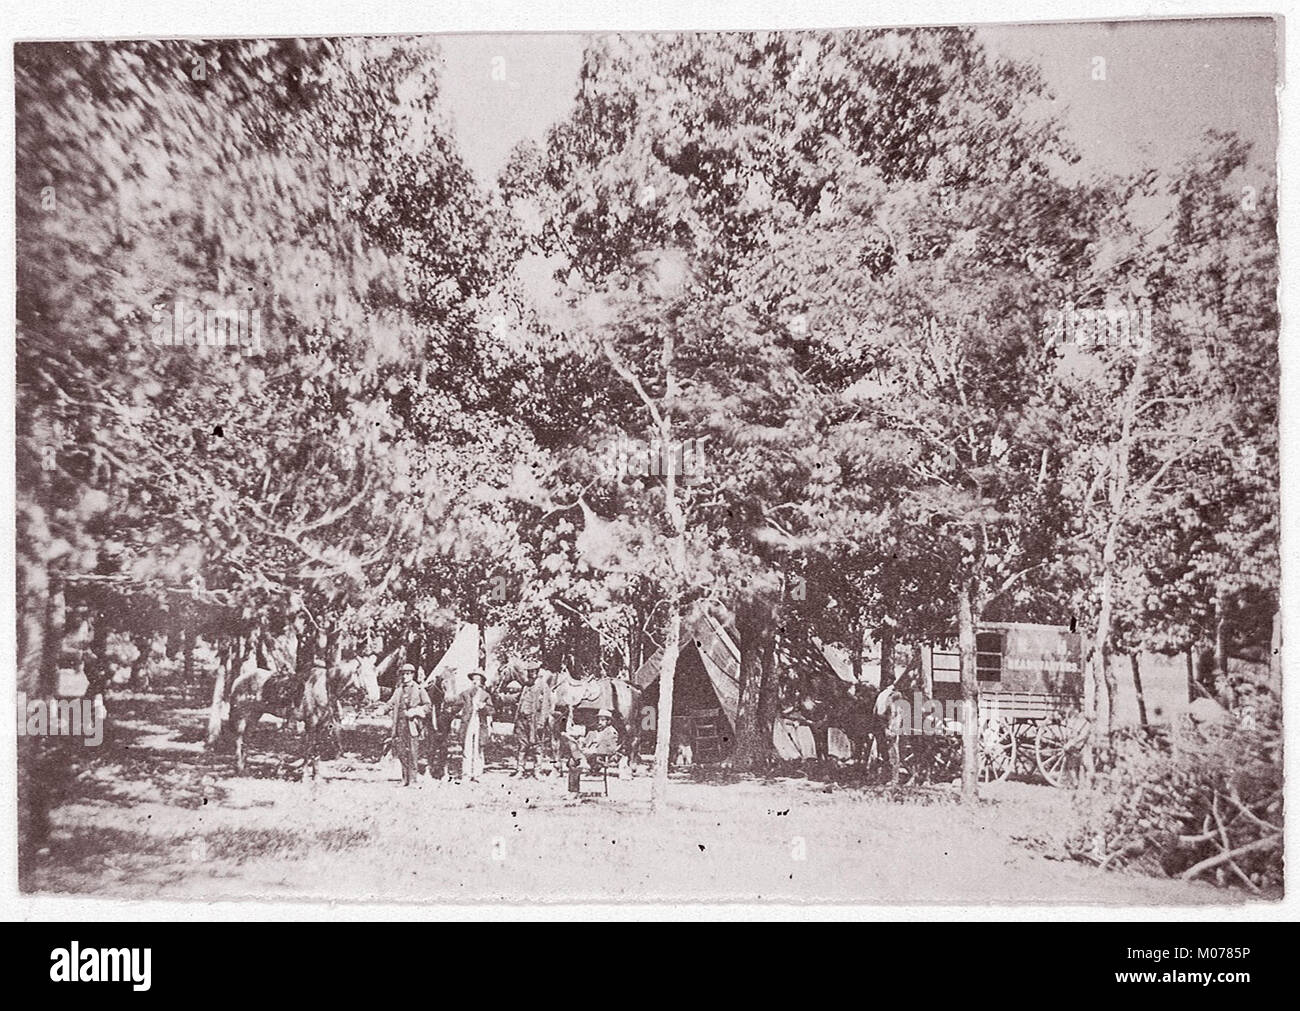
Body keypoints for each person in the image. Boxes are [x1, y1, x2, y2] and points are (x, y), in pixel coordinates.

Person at [389, 664, 432, 786]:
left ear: (412, 675)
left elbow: (428, 706)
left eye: (407, 674)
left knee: (413, 753)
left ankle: (413, 780)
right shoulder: (398, 691)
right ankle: (405, 779)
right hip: (400, 725)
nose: (405, 676)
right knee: (402, 752)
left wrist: (415, 712)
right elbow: (390, 703)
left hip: (413, 725)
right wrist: (382, 709)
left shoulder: (419, 690)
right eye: (403, 674)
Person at [512, 661, 551, 777]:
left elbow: (545, 705)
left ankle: (537, 771)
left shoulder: (543, 686)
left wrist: (542, 721)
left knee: (537, 746)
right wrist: (502, 698)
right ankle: (520, 770)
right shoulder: (525, 685)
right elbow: (517, 699)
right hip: (522, 719)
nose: (531, 673)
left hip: (534, 719)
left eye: (533, 671)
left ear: (537, 672)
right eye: (529, 671)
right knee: (522, 745)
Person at [455, 671, 494, 782]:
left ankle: (477, 774)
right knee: (467, 749)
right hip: (467, 724)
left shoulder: (485, 695)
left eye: (477, 679)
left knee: (478, 749)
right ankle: (466, 774)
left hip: (480, 724)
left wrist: (484, 707)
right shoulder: (465, 694)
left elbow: (492, 710)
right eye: (473, 679)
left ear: (481, 681)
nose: (475, 681)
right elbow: (456, 706)